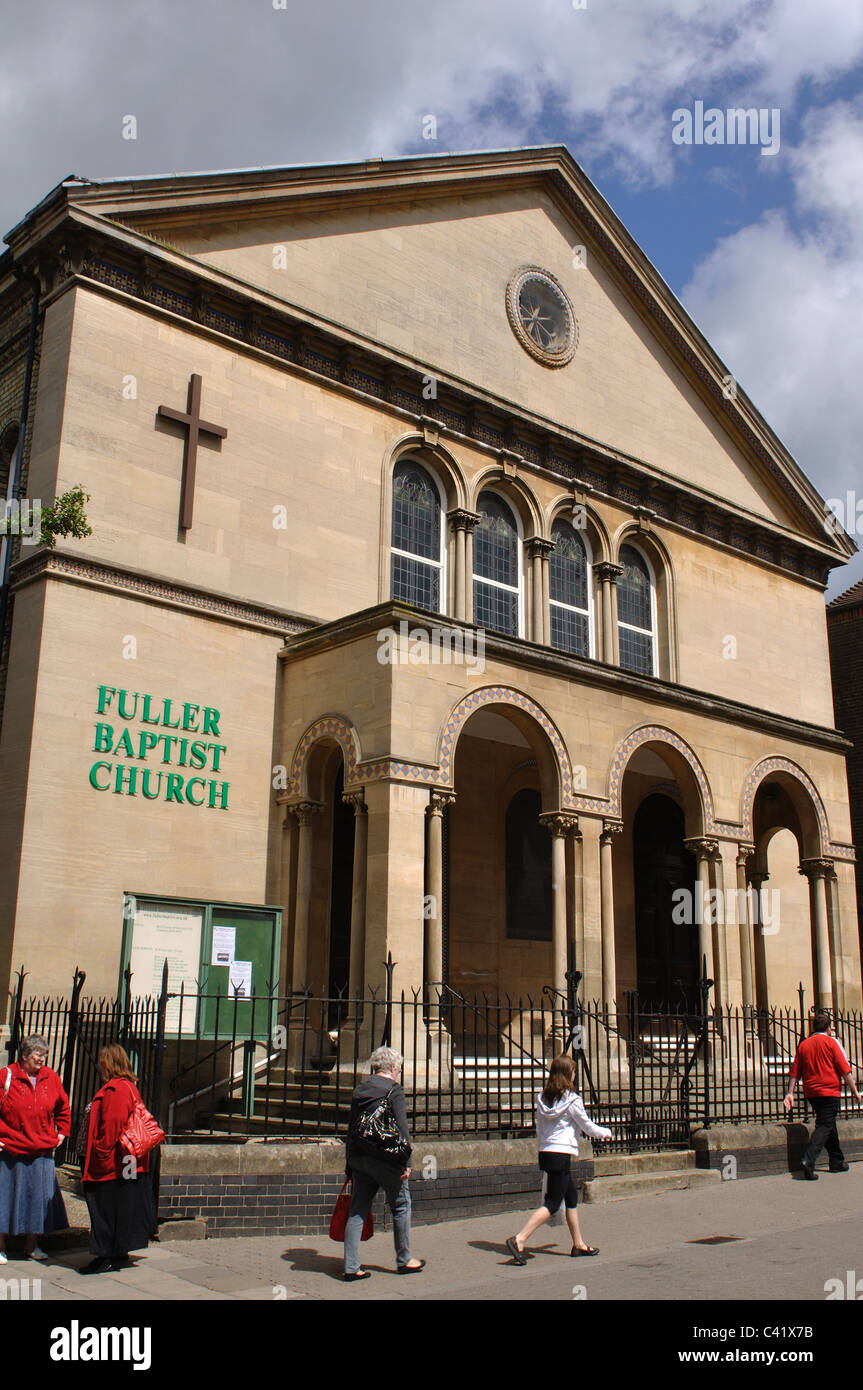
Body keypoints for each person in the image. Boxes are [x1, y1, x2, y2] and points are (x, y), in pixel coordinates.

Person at [506, 1053, 611, 1265]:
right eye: (573, 1071)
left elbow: (540, 1128)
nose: (574, 1075)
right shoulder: (572, 1100)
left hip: (546, 1152)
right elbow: (586, 1125)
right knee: (553, 1203)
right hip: (561, 1153)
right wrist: (605, 1132)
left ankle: (578, 1245)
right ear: (567, 1074)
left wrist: (542, 1147)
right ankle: (519, 1239)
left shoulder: (542, 1098)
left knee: (571, 1196)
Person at [343, 1045, 424, 1281]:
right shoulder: (393, 1090)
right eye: (398, 1068)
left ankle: (351, 1267)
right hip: (387, 1160)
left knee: (357, 1210)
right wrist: (407, 1161)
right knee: (400, 1206)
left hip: (360, 1157)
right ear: (392, 1067)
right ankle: (405, 1259)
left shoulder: (360, 1089)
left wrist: (350, 1164)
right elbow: (402, 1129)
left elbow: (352, 1129)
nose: (398, 1072)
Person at [81, 1044, 158, 1274]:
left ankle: (107, 1254)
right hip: (129, 1162)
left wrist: (99, 1154)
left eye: (102, 1062)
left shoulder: (116, 1090)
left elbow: (111, 1128)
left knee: (106, 1209)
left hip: (113, 1163)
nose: (99, 1067)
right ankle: (118, 1252)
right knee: (122, 1208)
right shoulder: (130, 1087)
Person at [0, 1035, 70, 1263]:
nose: (42, 1059)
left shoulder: (51, 1078)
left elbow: (63, 1108)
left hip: (41, 1151)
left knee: (37, 1201)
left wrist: (61, 1132)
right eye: (37, 1055)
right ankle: (0, 1247)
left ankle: (32, 1246)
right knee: (4, 1200)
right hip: (11, 1149)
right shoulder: (6, 1076)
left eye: (44, 1055)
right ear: (24, 1055)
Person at [783, 1011, 862, 1179]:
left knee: (828, 1123)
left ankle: (836, 1161)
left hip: (812, 1092)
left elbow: (795, 1072)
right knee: (824, 1126)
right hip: (830, 1091)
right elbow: (845, 1069)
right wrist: (855, 1090)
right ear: (828, 1028)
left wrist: (790, 1092)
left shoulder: (804, 1045)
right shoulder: (831, 1043)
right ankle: (808, 1159)